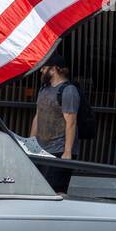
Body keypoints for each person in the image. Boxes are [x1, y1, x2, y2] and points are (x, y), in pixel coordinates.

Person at [33, 52, 79, 194]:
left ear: (54, 69)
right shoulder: (43, 89)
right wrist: (31, 142)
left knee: (55, 193)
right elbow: (37, 116)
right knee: (37, 190)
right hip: (41, 150)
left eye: (44, 67)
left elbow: (71, 123)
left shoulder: (68, 90)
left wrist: (67, 152)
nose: (41, 70)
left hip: (59, 150)